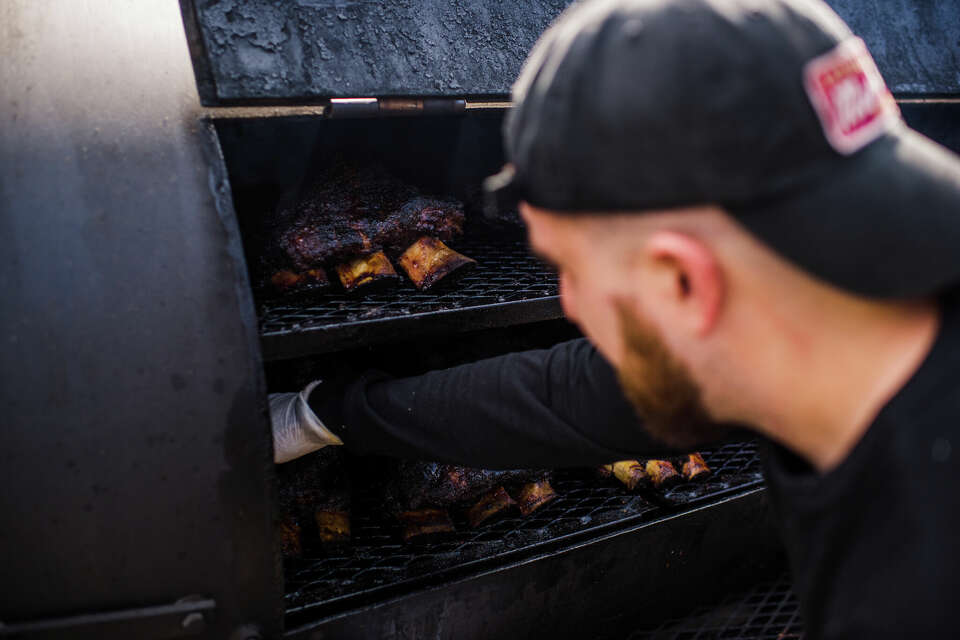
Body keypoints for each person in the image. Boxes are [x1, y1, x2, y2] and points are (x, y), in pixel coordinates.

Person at [270, 0, 960, 637]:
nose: (568, 303)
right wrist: (323, 415)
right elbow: (567, 397)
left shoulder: (912, 594)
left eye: (569, 269)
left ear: (683, 282)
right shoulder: (815, 334)